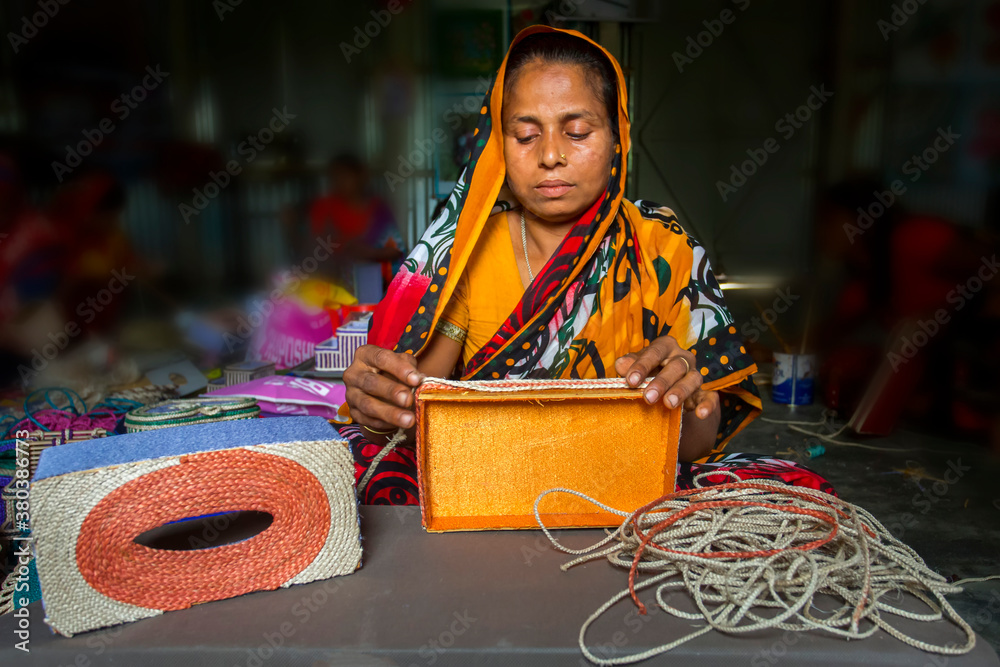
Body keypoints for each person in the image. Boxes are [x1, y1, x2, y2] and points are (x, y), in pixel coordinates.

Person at [341, 26, 833, 505]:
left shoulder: (663, 247)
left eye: (577, 132)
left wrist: (682, 398)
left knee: (797, 490)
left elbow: (695, 447)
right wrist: (380, 405)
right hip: (495, 473)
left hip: (623, 478)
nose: (551, 155)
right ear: (498, 146)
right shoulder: (470, 251)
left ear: (618, 135)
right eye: (526, 135)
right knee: (357, 463)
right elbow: (416, 411)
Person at [308, 154, 403, 301]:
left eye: (346, 176)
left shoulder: (379, 210)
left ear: (361, 176)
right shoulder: (325, 208)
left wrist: (368, 253)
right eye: (335, 178)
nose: (340, 183)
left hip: (377, 285)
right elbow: (315, 249)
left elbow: (396, 250)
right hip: (339, 286)